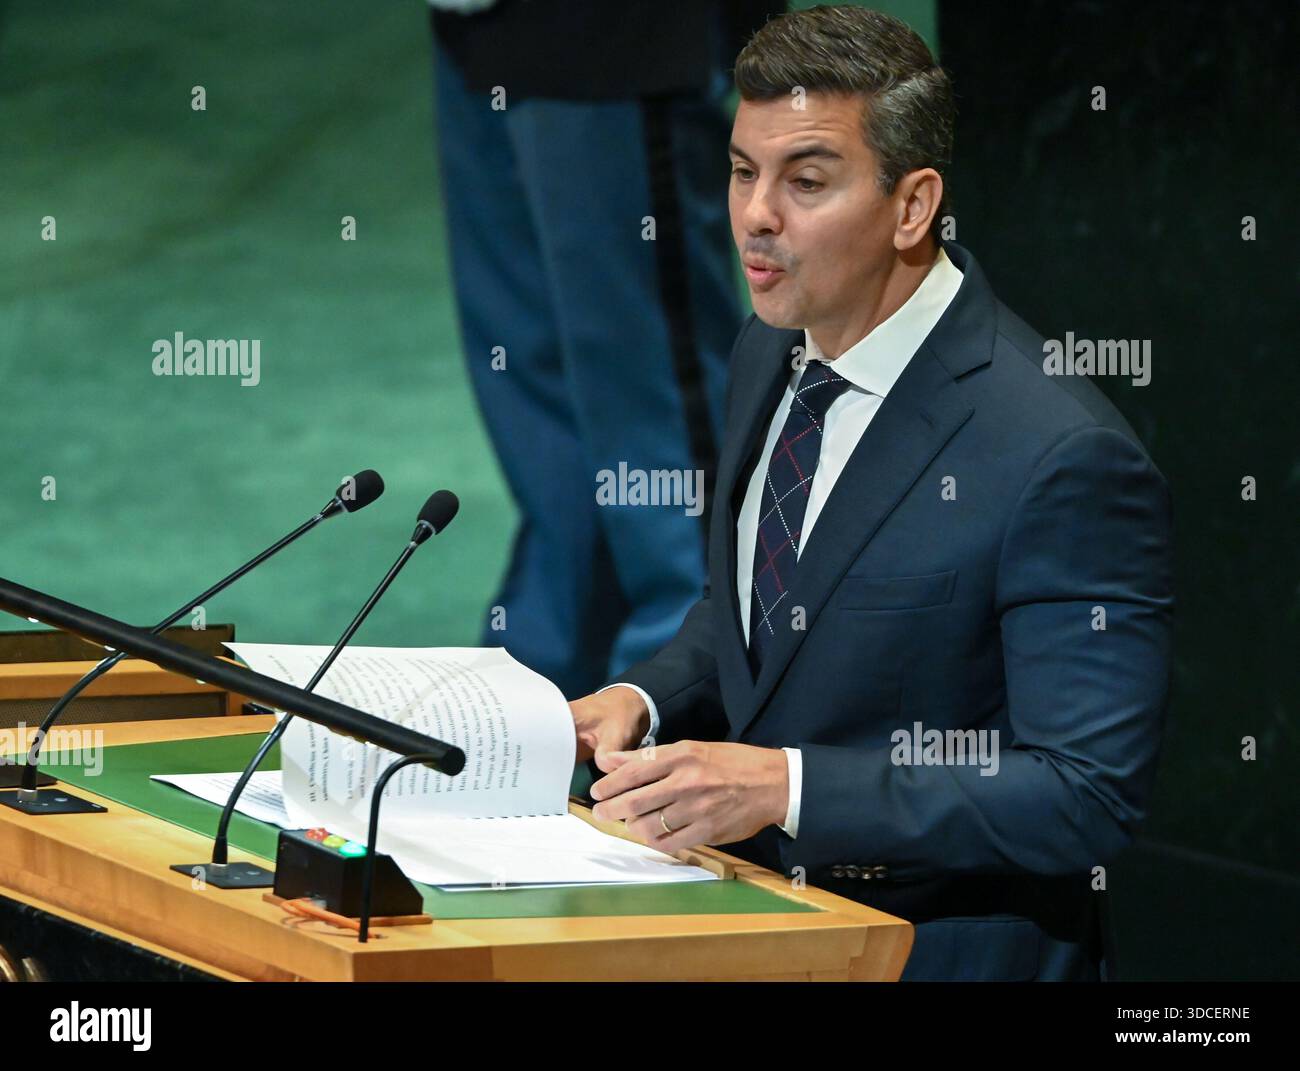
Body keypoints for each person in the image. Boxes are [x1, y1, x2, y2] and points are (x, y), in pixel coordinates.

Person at [570, 5, 1173, 982]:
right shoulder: (768, 346)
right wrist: (641, 697)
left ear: (911, 205)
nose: (756, 214)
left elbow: (1083, 796)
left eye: (805, 181)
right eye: (739, 170)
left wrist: (787, 787)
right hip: (757, 932)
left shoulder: (1059, 456)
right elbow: (764, 612)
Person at [429, 0, 783, 699]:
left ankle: (681, 703)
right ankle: (538, 698)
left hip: (610, 38)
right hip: (473, 28)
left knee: (654, 409)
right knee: (537, 383)